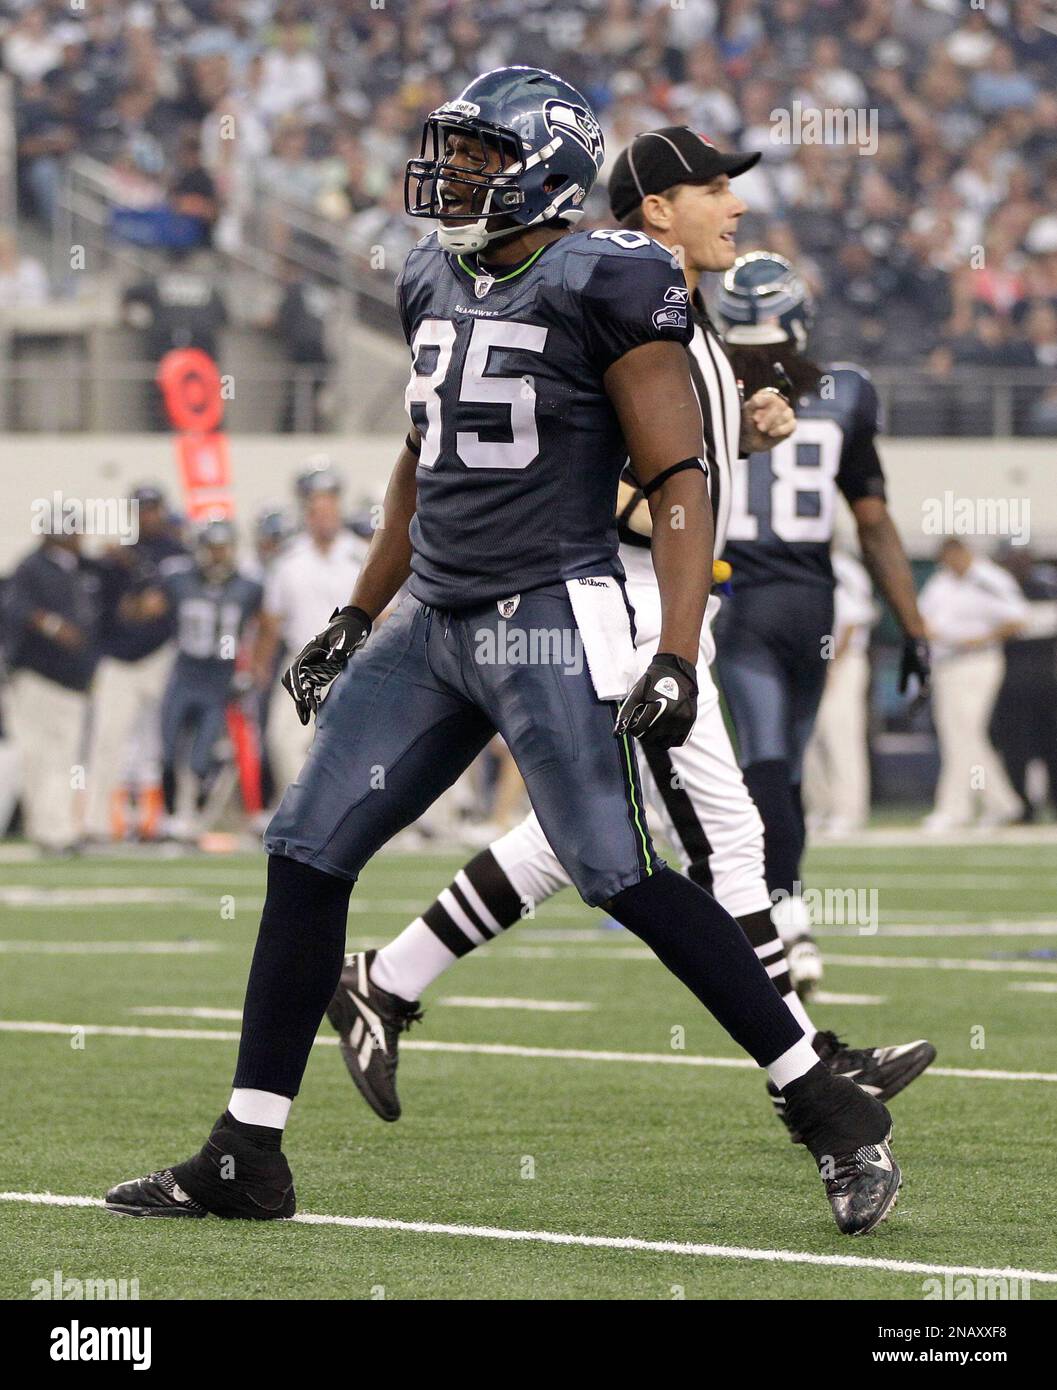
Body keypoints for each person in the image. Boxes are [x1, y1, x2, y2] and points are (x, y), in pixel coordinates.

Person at [106, 69, 902, 1238]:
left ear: (547, 164)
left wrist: (676, 648)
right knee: (303, 851)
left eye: (481, 156)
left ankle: (828, 1106)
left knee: (619, 870)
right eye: (457, 153)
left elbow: (678, 480)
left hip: (549, 609)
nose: (456, 174)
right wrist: (356, 612)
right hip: (434, 615)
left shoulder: (608, 275)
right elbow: (419, 464)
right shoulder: (431, 273)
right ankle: (246, 1152)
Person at [325, 127, 935, 1144]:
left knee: (582, 837)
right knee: (722, 838)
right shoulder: (621, 294)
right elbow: (576, 469)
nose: (735, 204)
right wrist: (664, 506)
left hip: (643, 604)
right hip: (624, 607)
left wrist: (732, 435)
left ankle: (385, 979)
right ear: (654, 206)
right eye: (710, 188)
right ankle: (807, 1062)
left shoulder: (658, 295)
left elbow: (654, 448)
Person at [712, 253, 931, 994]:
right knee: (784, 770)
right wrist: (914, 626)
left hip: (734, 591)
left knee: (765, 762)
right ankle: (784, 911)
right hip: (813, 600)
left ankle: (784, 921)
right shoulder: (843, 391)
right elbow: (873, 524)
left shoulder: (698, 373)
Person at [121, 516, 263, 837]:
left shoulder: (249, 585)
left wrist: (254, 668)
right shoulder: (178, 578)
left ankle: (193, 816)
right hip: (184, 674)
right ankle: (170, 817)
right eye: (212, 547)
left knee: (202, 757)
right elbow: (144, 609)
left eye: (222, 547)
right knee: (168, 750)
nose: (217, 554)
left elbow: (266, 626)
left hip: (220, 679)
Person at [251, 463, 366, 798]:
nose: (325, 516)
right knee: (283, 740)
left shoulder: (361, 555)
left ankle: (353, 815)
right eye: (317, 509)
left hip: (352, 661)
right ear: (306, 513)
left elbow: (386, 613)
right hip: (303, 660)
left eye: (330, 508)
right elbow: (272, 620)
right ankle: (302, 810)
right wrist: (260, 666)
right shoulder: (289, 560)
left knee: (354, 745)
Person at [85, 484, 185, 842]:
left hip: (162, 655)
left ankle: (165, 820)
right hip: (119, 659)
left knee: (164, 741)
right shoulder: (113, 559)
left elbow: (177, 602)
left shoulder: (177, 554)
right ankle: (98, 822)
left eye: (153, 508)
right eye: (142, 509)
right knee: (109, 739)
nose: (148, 515)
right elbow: (108, 609)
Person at [918, 539, 1029, 831]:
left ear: (962, 553)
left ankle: (954, 808)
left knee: (965, 733)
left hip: (977, 662)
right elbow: (924, 617)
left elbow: (1018, 619)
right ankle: (1003, 804)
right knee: (960, 736)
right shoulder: (940, 582)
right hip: (945, 664)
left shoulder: (989, 578)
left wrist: (978, 639)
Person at [1, 531, 100, 853]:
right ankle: (48, 830)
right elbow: (16, 609)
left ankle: (60, 829)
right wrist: (53, 626)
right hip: (38, 676)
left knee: (64, 758)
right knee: (37, 755)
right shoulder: (32, 567)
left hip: (71, 681)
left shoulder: (80, 567)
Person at [803, 549, 879, 836]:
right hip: (812, 663)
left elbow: (851, 619)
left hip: (841, 664)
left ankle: (849, 810)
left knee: (841, 737)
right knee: (809, 739)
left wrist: (831, 662)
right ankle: (819, 807)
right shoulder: (804, 570)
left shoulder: (837, 570)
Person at [989, 547, 1057, 821]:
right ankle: (1022, 805)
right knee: (1015, 749)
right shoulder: (997, 588)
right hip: (1010, 683)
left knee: (1051, 746)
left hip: (1047, 681)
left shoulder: (1046, 586)